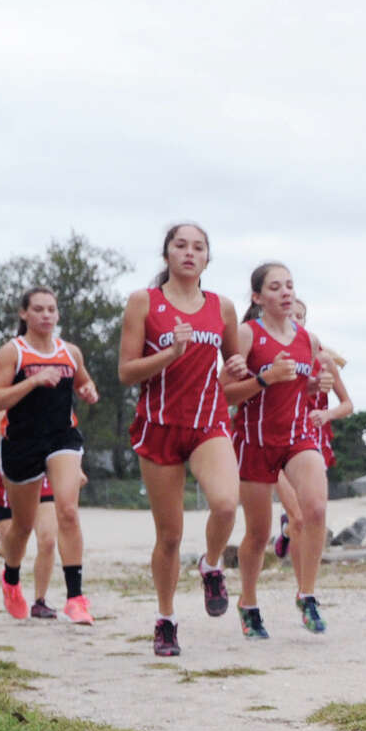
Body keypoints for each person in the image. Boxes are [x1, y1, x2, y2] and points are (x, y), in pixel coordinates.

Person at [118, 222, 245, 657]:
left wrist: (240, 371)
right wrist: (170, 353)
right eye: (180, 245)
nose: (189, 253)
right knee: (169, 536)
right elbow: (126, 372)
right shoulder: (143, 302)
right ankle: (166, 620)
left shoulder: (223, 307)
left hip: (209, 423)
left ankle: (211, 564)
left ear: (208, 257)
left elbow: (234, 363)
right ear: (167, 254)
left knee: (227, 503)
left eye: (199, 247)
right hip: (159, 427)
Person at [221, 262, 334, 638]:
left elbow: (300, 390)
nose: (285, 293)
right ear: (257, 297)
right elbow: (223, 393)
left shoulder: (309, 340)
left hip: (298, 436)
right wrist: (265, 378)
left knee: (315, 509)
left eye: (289, 285)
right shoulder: (246, 334)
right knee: (258, 531)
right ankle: (248, 603)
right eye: (275, 287)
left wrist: (316, 385)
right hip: (254, 440)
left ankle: (307, 594)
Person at [0, 286, 99, 624]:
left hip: (62, 437)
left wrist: (88, 391)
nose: (46, 315)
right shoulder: (12, 352)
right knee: (21, 525)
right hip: (21, 442)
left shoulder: (70, 352)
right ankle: (11, 579)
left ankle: (76, 597)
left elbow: (83, 383)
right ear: (24, 314)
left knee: (67, 510)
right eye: (38, 309)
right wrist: (33, 382)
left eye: (52, 309)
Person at [272, 299, 353, 565]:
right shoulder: (274, 356)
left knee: (313, 513)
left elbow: (347, 404)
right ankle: (288, 529)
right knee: (297, 515)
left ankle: (306, 583)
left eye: (301, 316)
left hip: (315, 441)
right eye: (290, 315)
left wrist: (327, 414)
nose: (295, 320)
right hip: (280, 439)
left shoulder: (324, 360)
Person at [0, 411, 63, 619]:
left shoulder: (55, 410)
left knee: (48, 540)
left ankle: (40, 602)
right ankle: (9, 572)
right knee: (14, 548)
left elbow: (63, 450)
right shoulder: (5, 415)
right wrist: (15, 464)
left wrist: (71, 471)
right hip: (12, 482)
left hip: (43, 482)